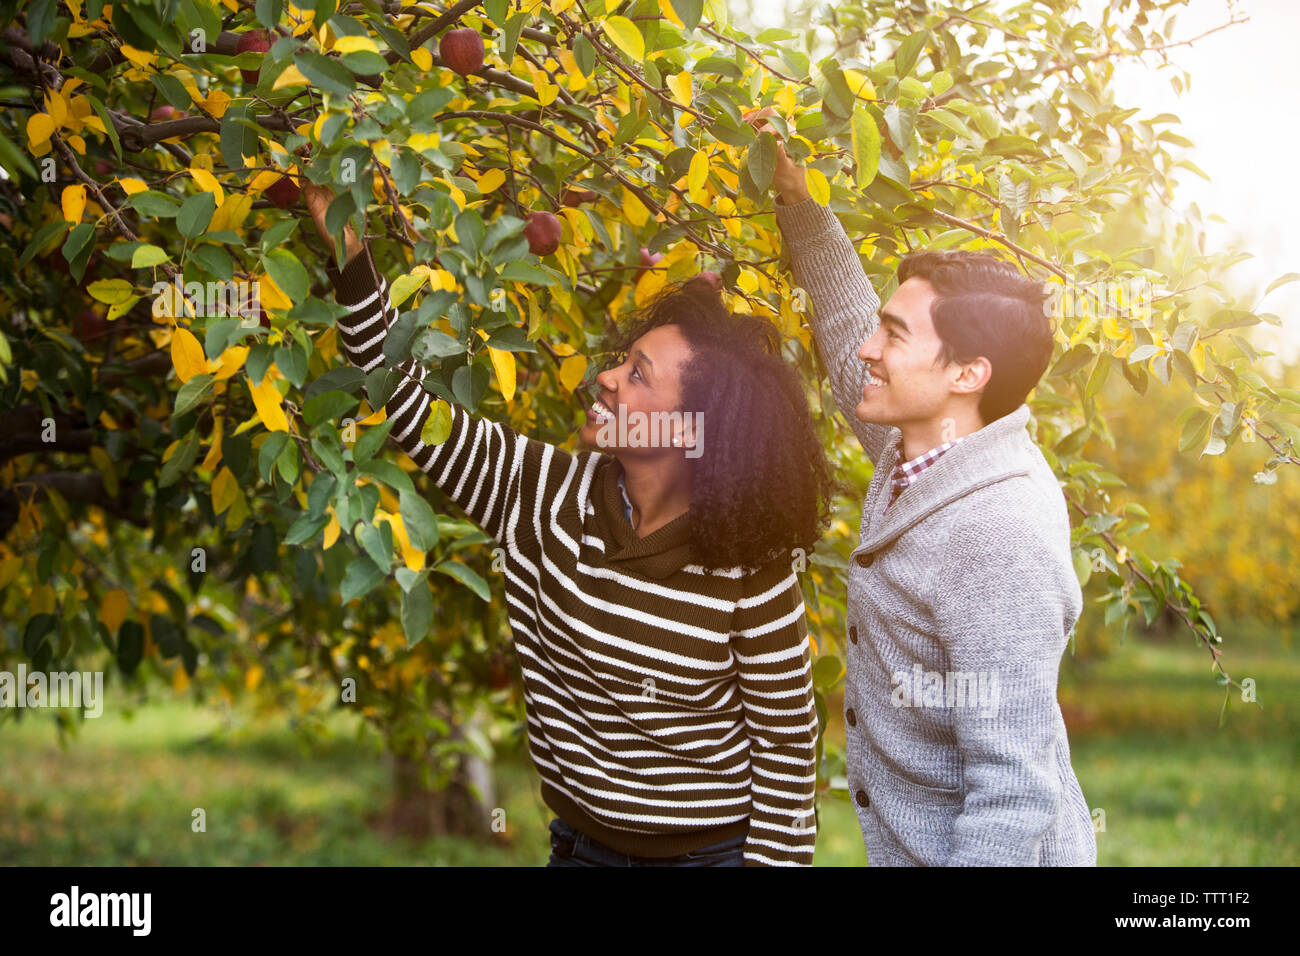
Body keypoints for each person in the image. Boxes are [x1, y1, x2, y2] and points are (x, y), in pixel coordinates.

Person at [301, 183, 835, 866]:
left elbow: (787, 748)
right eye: (622, 359)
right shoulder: (538, 493)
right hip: (581, 849)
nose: (607, 378)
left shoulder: (748, 566)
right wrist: (351, 252)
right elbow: (400, 396)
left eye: (638, 375)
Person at [759, 120, 1097, 865]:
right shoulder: (934, 451)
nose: (867, 349)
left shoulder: (996, 534)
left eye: (895, 336)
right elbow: (850, 342)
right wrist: (801, 207)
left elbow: (1013, 791)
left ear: (966, 374)